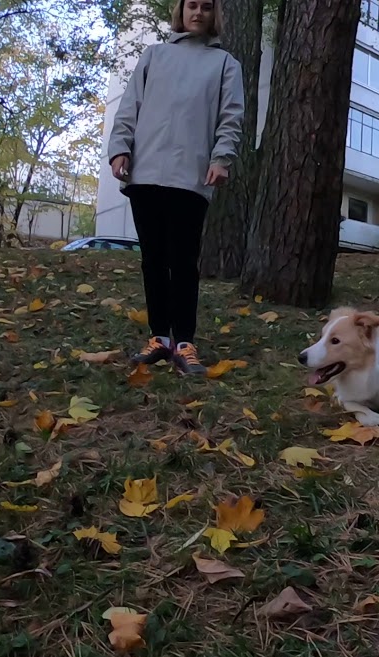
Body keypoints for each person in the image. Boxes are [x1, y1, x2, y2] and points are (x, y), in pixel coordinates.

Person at [107, 0, 245, 376]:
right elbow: (129, 106)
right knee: (152, 259)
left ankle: (184, 342)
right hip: (146, 173)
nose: (197, 13)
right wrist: (120, 148)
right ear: (181, 12)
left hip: (191, 177)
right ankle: (159, 339)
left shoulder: (225, 65)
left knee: (183, 262)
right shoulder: (154, 56)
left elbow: (230, 117)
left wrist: (221, 158)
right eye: (191, 6)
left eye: (205, 7)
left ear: (214, 15)